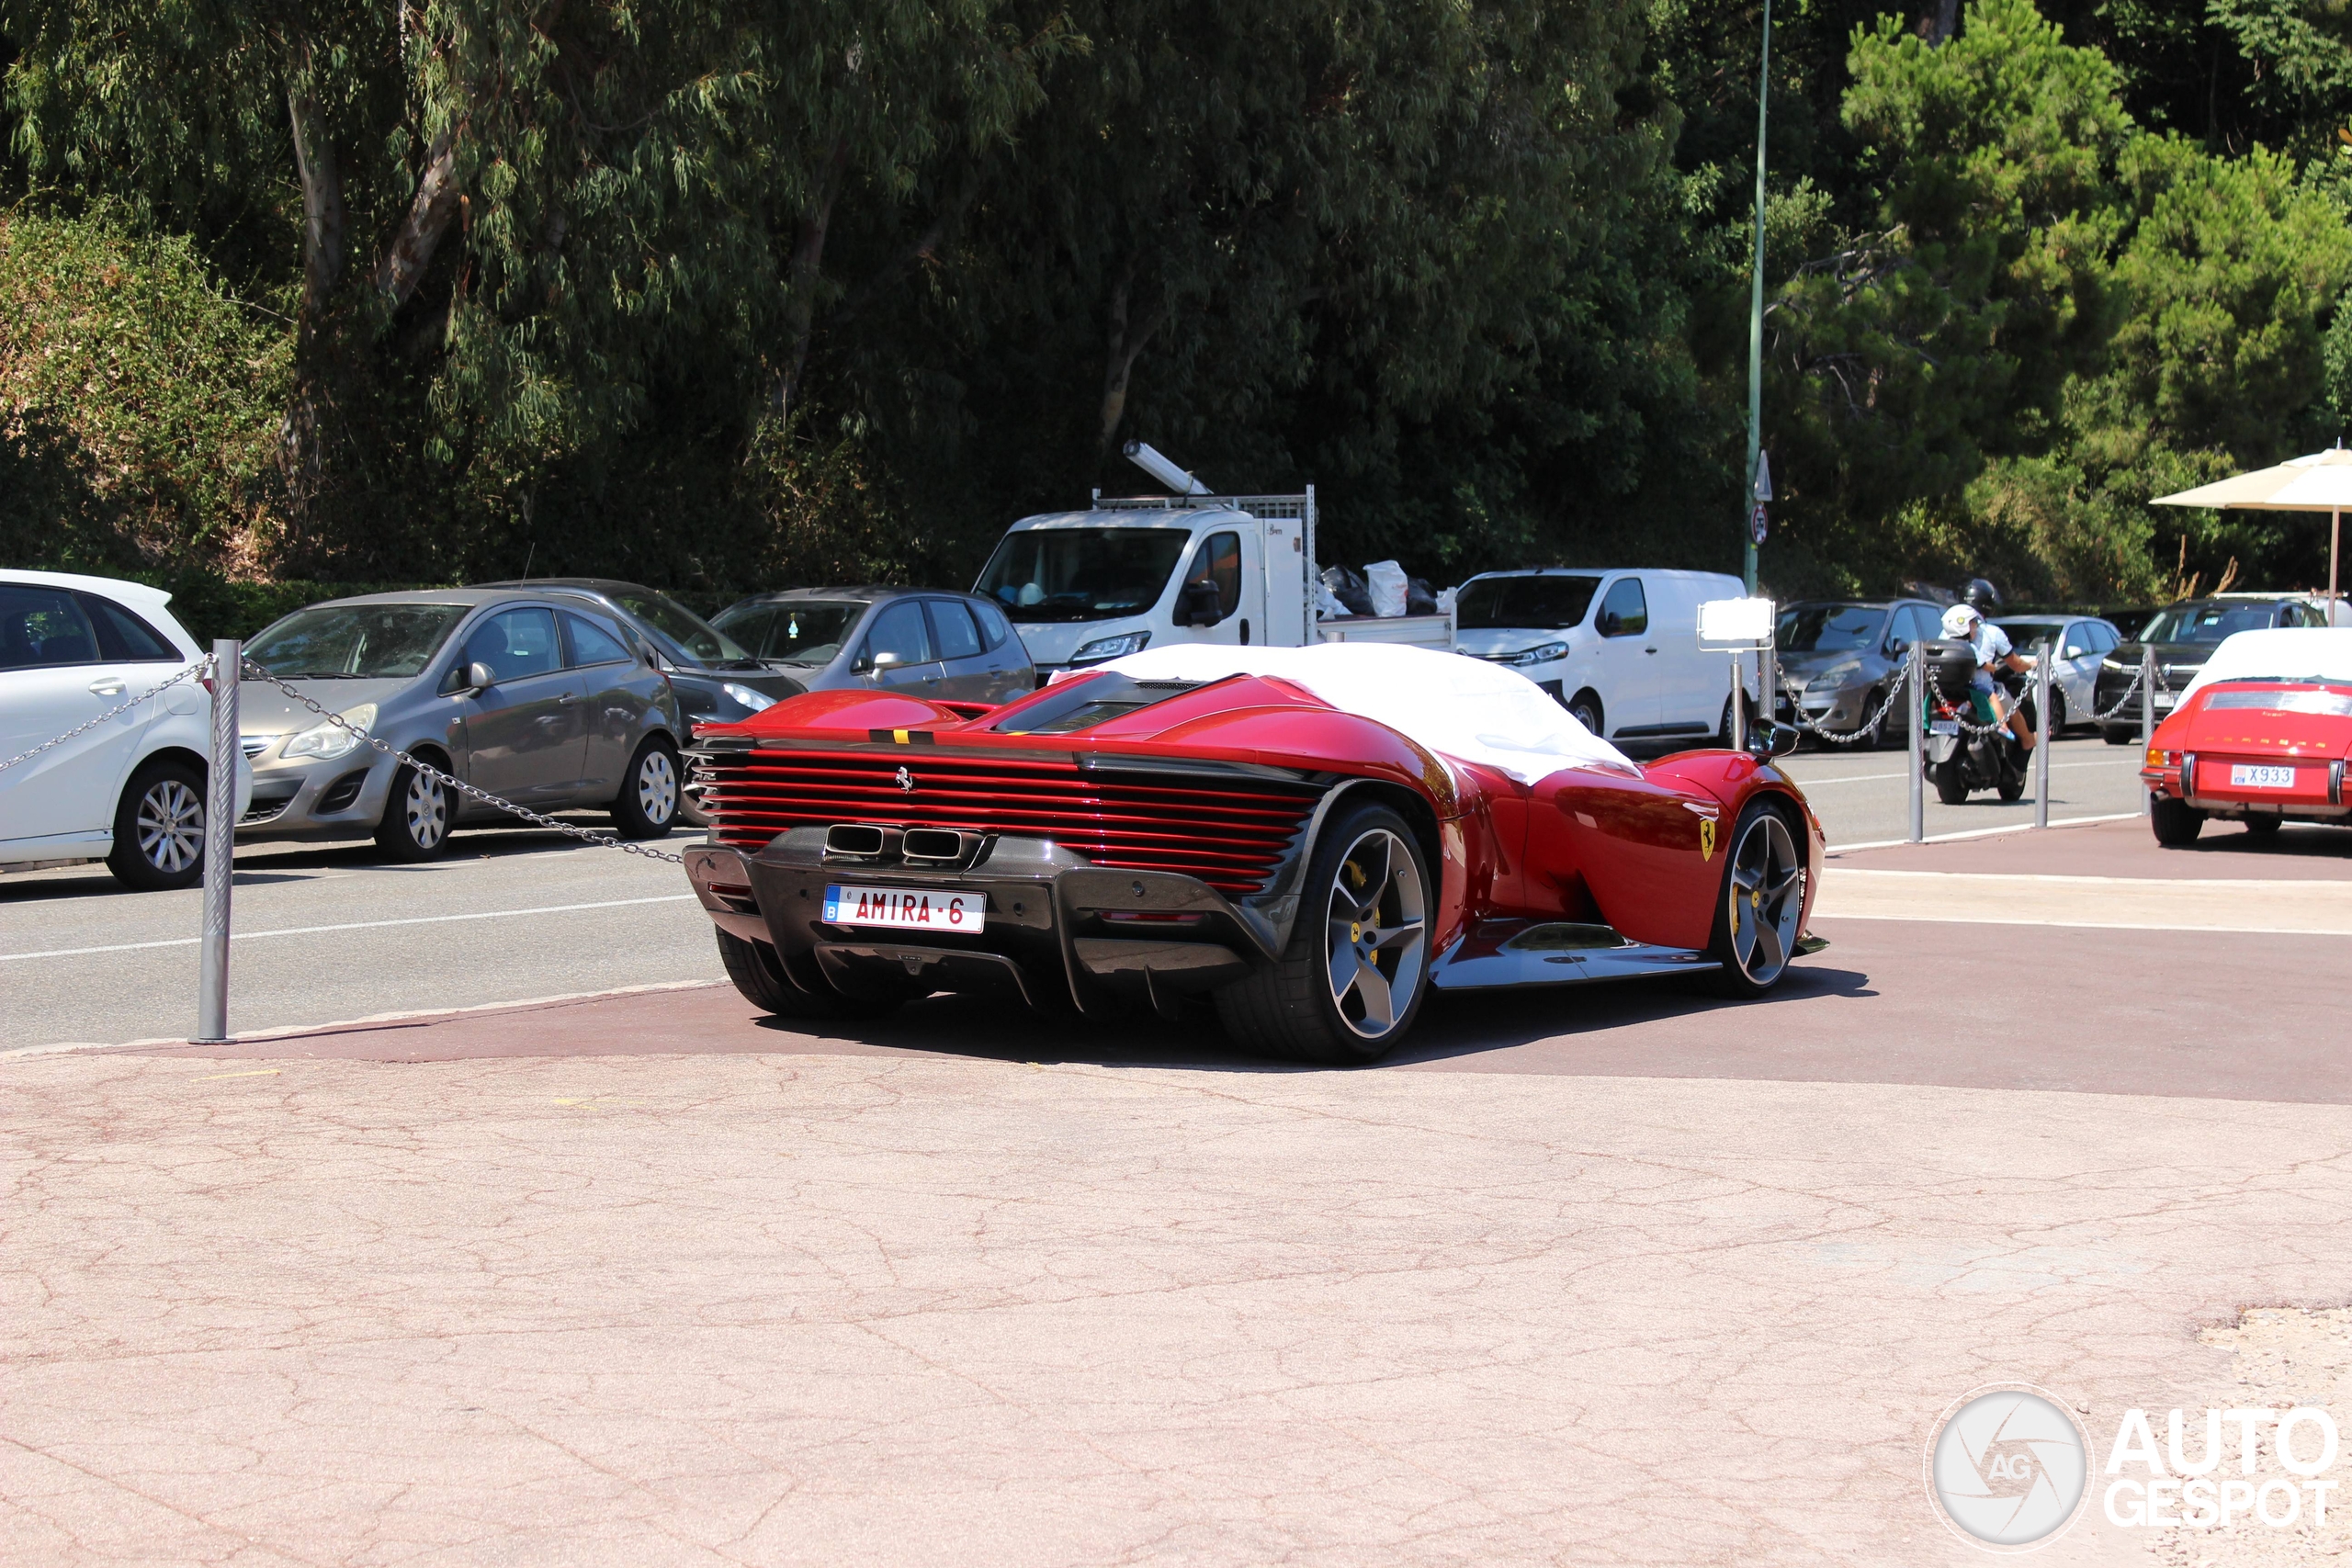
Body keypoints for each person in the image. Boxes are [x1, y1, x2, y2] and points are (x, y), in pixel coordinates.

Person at [1940, 602, 2037, 750]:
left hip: (1948, 690)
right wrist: (2029, 664)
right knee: (1998, 699)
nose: (1976, 626)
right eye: (1973, 623)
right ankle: (2017, 734)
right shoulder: (1986, 636)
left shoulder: (1944, 636)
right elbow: (2014, 664)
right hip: (1976, 688)